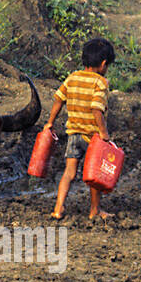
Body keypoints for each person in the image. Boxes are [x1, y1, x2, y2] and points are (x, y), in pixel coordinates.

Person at [46, 37, 116, 221]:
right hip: (92, 138)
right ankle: (94, 210)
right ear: (103, 64)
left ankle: (58, 209)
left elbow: (58, 99)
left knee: (69, 173)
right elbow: (96, 108)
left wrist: (50, 122)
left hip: (73, 134)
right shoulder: (100, 83)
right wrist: (103, 132)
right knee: (94, 176)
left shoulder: (72, 77)